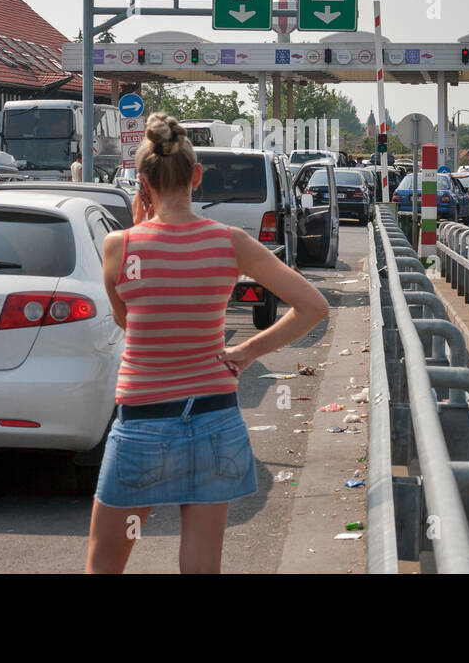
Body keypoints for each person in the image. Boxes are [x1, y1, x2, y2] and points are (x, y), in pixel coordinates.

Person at [87, 114, 328, 574]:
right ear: (197, 176)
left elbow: (127, 321)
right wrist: (247, 352)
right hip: (215, 420)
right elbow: (313, 306)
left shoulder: (120, 247)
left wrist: (141, 230)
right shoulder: (229, 242)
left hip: (143, 424)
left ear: (142, 182)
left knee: (105, 565)